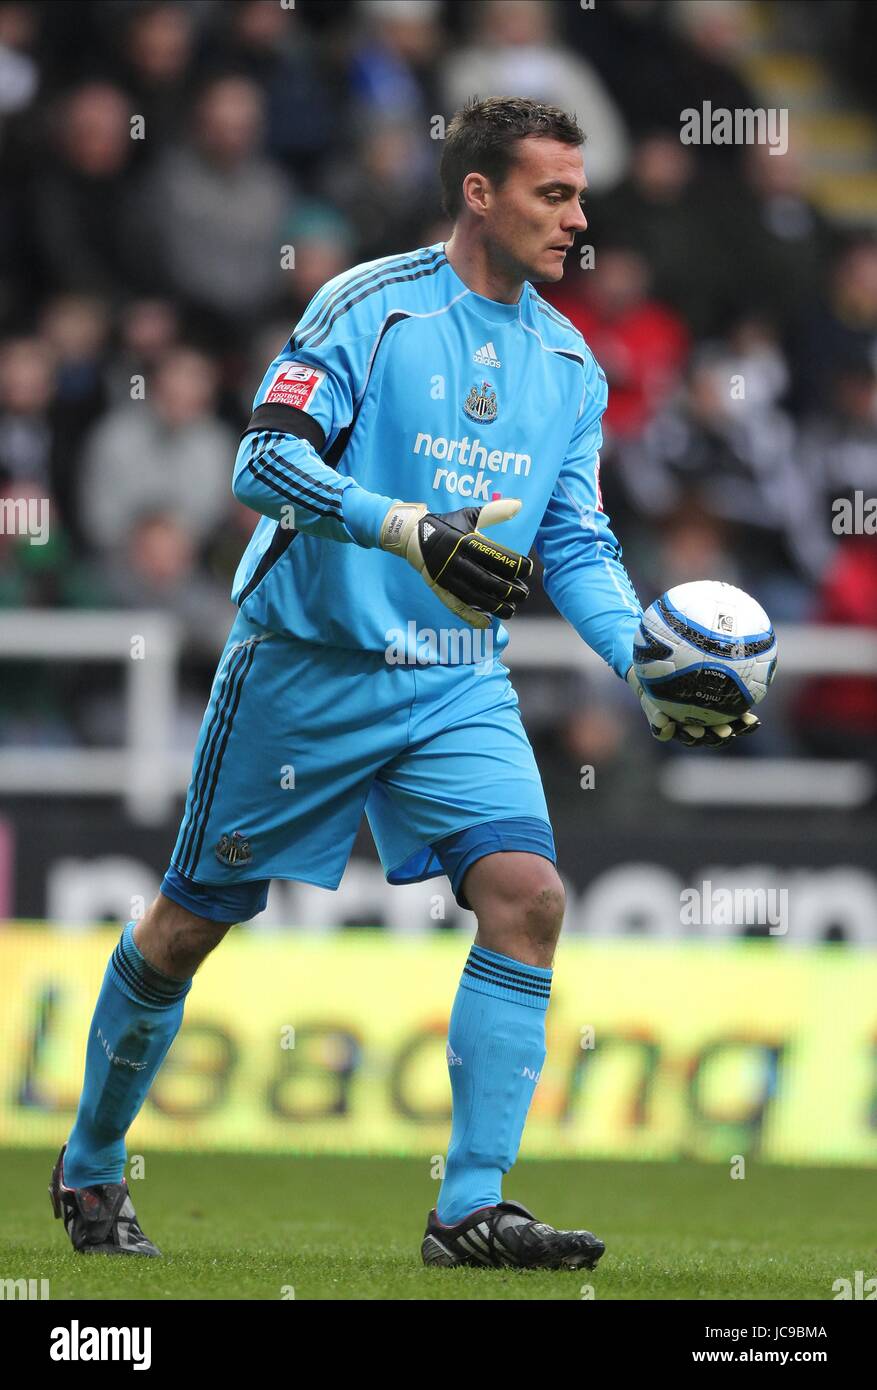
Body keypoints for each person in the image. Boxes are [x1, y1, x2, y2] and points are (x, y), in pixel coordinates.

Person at [50, 97, 757, 1271]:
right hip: (306, 667)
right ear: (477, 193)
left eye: (580, 196)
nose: (578, 221)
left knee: (528, 894)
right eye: (553, 194)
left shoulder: (570, 364)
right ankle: (89, 1161)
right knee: (184, 929)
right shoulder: (367, 309)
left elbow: (573, 541)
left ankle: (468, 1206)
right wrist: (403, 529)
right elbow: (262, 461)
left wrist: (638, 647)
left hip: (453, 679)